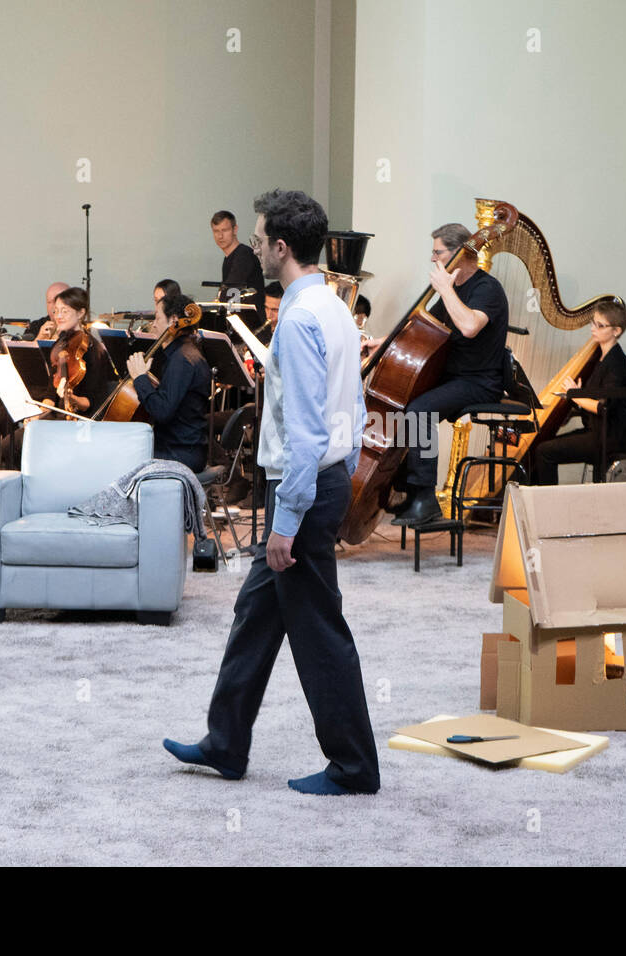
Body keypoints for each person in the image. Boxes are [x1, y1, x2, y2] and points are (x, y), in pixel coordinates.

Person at [163, 188, 379, 796]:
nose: (253, 245)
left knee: (318, 633)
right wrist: (342, 476)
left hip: (303, 490)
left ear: (281, 246)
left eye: (258, 237)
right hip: (321, 482)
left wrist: (288, 520)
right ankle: (226, 742)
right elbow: (354, 406)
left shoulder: (299, 319)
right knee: (255, 616)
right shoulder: (335, 307)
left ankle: (355, 768)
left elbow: (307, 431)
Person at [389, 223, 509, 526]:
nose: (433, 259)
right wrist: (384, 343)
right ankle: (404, 490)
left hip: (481, 382)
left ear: (459, 253)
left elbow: (469, 326)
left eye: (438, 252)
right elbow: (425, 329)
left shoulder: (487, 289)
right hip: (454, 377)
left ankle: (426, 498)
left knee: (421, 411)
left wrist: (445, 289)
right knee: (406, 404)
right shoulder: (453, 291)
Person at [531, 296, 626, 484]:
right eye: (593, 323)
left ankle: (548, 507)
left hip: (613, 437)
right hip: (596, 432)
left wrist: (574, 395)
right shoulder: (601, 358)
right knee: (541, 446)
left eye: (600, 325)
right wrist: (575, 397)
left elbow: (603, 407)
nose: (593, 329)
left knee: (544, 452)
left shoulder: (617, 362)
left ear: (616, 331)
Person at [125, 292, 210, 471]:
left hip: (180, 453)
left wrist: (140, 379)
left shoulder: (183, 359)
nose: (154, 325)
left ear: (173, 320)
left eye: (157, 318)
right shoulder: (182, 354)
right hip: (177, 448)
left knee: (121, 456)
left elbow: (162, 411)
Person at [43, 287, 112, 415]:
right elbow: (50, 396)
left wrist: (71, 398)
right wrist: (38, 415)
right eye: (56, 311)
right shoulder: (59, 345)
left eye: (64, 311)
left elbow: (90, 402)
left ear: (80, 313)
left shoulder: (93, 349)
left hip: (80, 420)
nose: (58, 316)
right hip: (56, 417)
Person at [212, 209, 265, 331]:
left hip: (254, 327)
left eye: (224, 230)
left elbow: (229, 292)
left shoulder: (243, 255)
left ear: (235, 229)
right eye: (216, 231)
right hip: (243, 324)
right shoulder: (229, 258)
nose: (220, 236)